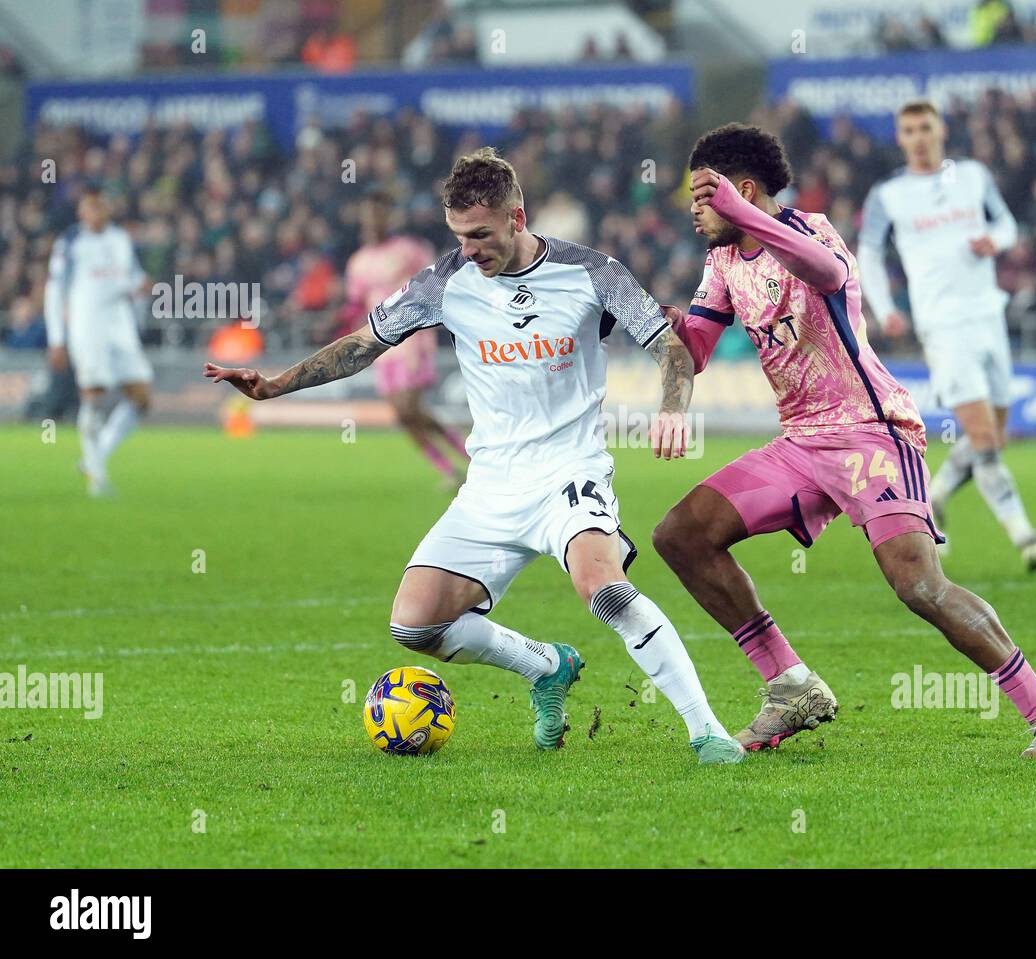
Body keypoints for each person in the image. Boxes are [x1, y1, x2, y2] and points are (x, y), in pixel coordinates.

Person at [206, 148, 743, 764]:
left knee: (605, 589)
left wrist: (672, 410)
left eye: (482, 235)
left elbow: (670, 348)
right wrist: (275, 385)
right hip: (489, 486)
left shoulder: (592, 272)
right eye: (459, 236)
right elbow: (363, 345)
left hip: (569, 472)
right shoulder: (445, 280)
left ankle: (706, 731)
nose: (470, 250)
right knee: (414, 625)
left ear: (518, 217)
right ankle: (545, 665)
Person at [654, 124, 1036, 759]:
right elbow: (693, 347)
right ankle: (790, 686)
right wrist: (672, 390)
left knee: (919, 586)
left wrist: (745, 214)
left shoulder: (812, 230)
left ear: (740, 192)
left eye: (702, 196)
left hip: (870, 433)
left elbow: (825, 272)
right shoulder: (722, 264)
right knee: (681, 534)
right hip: (800, 443)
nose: (693, 210)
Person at [857, 101, 1036, 570]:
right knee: (985, 439)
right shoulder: (889, 194)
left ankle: (935, 493)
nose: (919, 137)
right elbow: (867, 254)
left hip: (989, 313)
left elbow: (1006, 222)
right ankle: (1025, 538)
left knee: (996, 437)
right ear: (901, 138)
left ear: (941, 129)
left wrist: (998, 240)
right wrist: (885, 309)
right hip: (942, 322)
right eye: (909, 130)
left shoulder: (972, 175)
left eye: (925, 127)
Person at [343, 189, 467, 487]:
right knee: (404, 415)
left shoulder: (409, 249)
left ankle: (469, 459)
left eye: (378, 214)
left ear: (389, 217)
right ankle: (448, 470)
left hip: (412, 338)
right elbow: (356, 303)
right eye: (368, 215)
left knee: (410, 407)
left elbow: (435, 282)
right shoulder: (358, 262)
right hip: (380, 343)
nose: (373, 220)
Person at [45, 188, 153, 497]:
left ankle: (94, 458)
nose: (96, 210)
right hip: (87, 326)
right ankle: (98, 479)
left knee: (141, 397)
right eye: (89, 206)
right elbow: (55, 291)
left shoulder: (120, 239)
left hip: (120, 326)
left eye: (101, 204)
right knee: (94, 396)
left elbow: (130, 277)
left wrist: (141, 286)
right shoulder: (70, 243)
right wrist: (57, 339)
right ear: (81, 211)